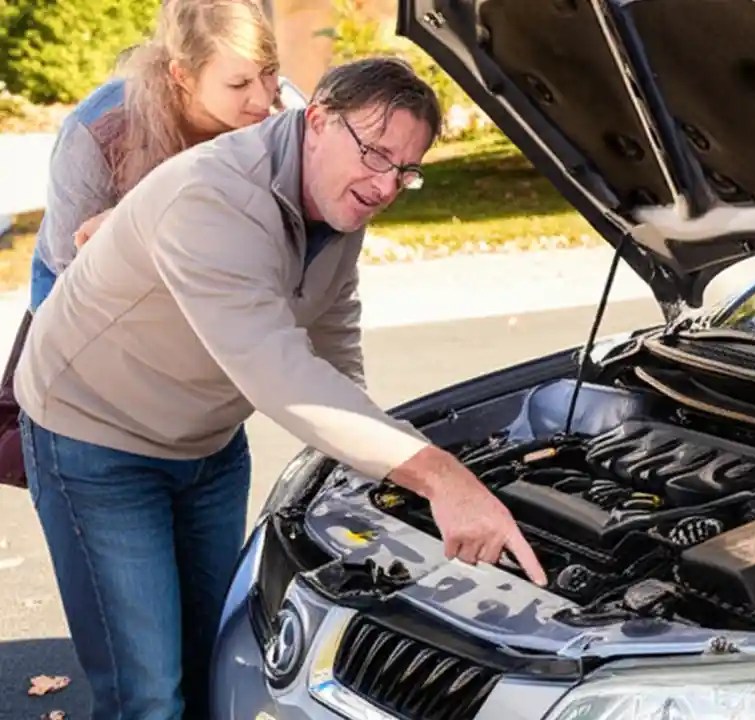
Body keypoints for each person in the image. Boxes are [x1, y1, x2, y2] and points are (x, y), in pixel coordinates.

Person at [14, 56, 546, 719]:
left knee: (212, 658)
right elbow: (276, 369)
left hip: (206, 443)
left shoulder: (336, 199)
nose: (385, 186)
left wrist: (375, 463)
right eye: (375, 155)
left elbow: (333, 340)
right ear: (317, 118)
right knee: (147, 693)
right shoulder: (211, 196)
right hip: (94, 440)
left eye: (404, 171)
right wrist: (438, 476)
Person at [28, 0, 281, 310]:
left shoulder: (281, 115)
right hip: (84, 307)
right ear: (183, 76)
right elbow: (70, 262)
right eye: (238, 84)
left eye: (269, 72)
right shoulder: (96, 132)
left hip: (211, 299)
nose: (263, 96)